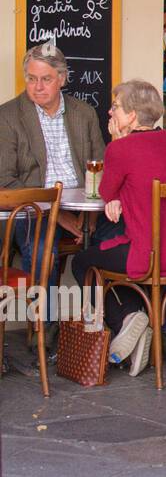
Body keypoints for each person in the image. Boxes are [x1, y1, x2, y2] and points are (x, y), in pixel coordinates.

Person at [70, 81, 166, 374]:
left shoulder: (120, 149)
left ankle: (127, 322)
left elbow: (105, 188)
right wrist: (118, 199)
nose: (110, 111)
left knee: (84, 262)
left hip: (149, 253)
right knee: (113, 249)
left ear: (132, 116)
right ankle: (141, 327)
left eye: (116, 107)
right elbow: (135, 184)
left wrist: (116, 147)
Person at [0, 43, 106, 336]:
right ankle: (44, 330)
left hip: (82, 204)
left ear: (62, 78)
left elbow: (101, 166)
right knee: (43, 249)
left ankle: (109, 326)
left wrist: (93, 213)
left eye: (46, 79)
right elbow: (6, 181)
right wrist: (57, 215)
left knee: (125, 234)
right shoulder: (8, 116)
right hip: (35, 206)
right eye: (31, 78)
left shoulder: (83, 113)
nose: (38, 87)